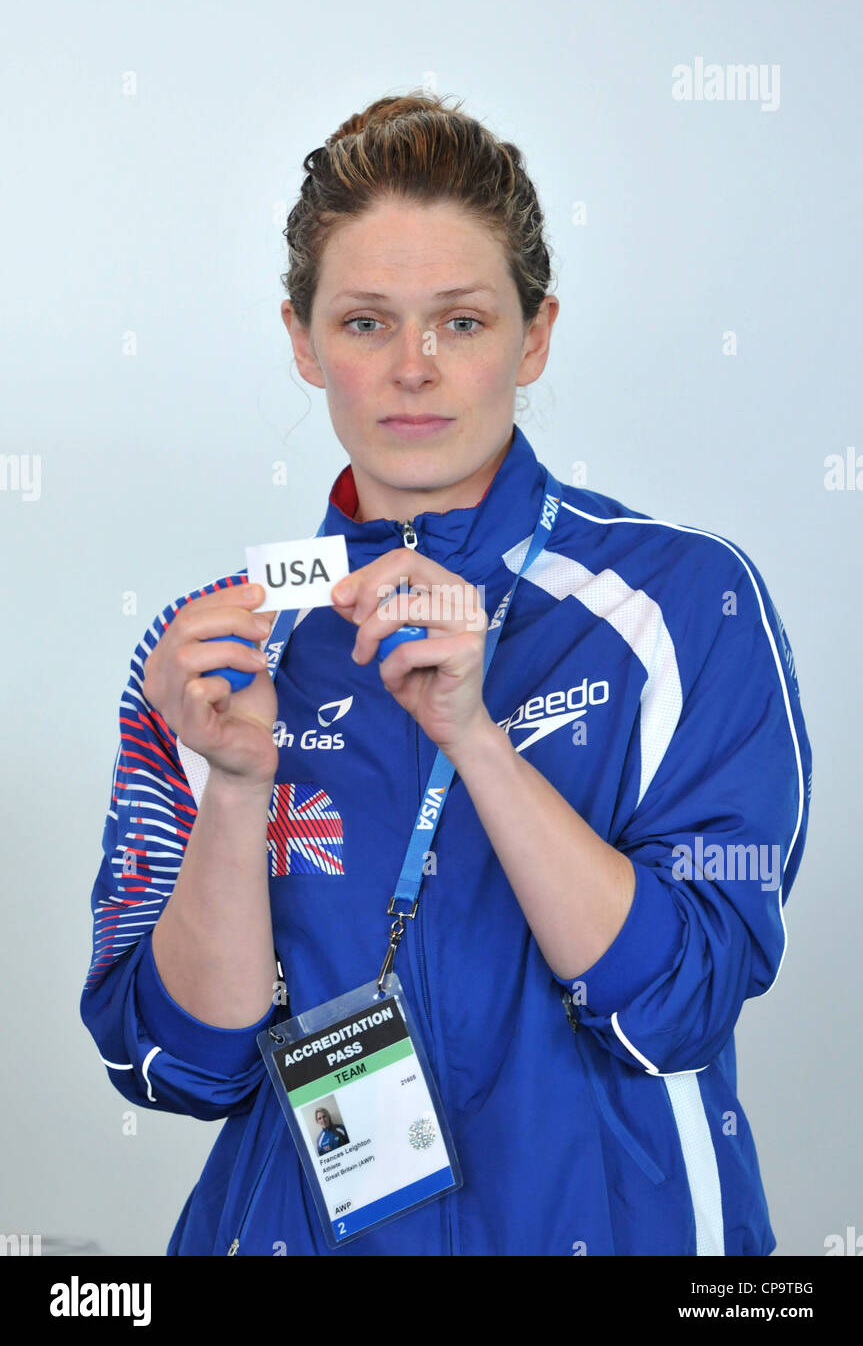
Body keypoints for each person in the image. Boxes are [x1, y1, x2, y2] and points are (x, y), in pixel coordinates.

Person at [81, 90, 812, 1257]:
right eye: (365, 322)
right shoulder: (213, 648)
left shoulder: (685, 602)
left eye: (460, 322)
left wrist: (476, 736)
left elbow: (680, 1004)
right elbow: (176, 1063)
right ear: (301, 341)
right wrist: (232, 787)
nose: (412, 368)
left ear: (532, 335)